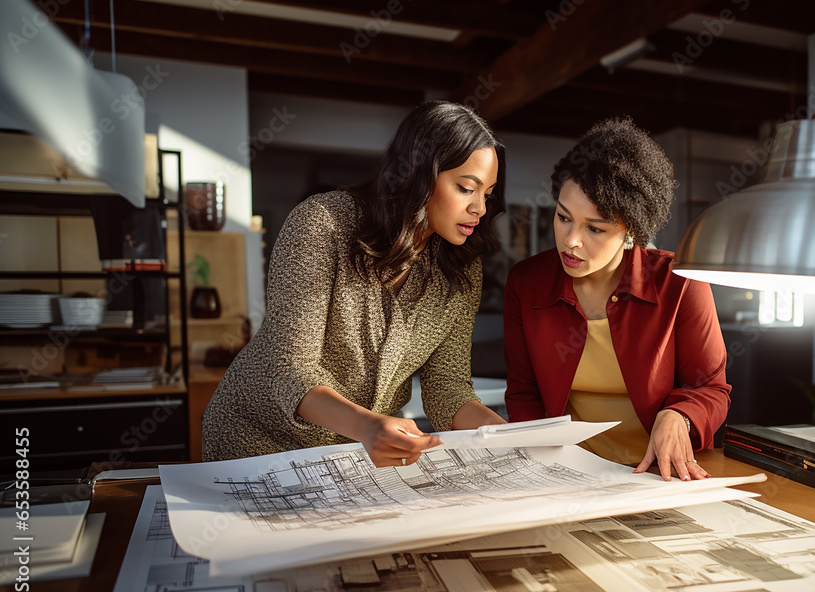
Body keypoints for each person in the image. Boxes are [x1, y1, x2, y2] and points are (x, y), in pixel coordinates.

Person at [202, 101, 507, 464]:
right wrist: (367, 427)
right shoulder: (322, 224)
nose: (480, 208)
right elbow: (289, 368)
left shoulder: (460, 268)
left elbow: (447, 386)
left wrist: (507, 436)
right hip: (258, 439)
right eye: (466, 188)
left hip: (354, 451)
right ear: (421, 174)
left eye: (487, 194)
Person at [503, 117, 730, 481]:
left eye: (594, 228)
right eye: (563, 217)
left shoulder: (681, 283)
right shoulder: (526, 283)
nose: (571, 240)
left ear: (631, 230)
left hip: (661, 474)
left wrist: (680, 414)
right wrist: (539, 466)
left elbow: (710, 388)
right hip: (567, 474)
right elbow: (523, 394)